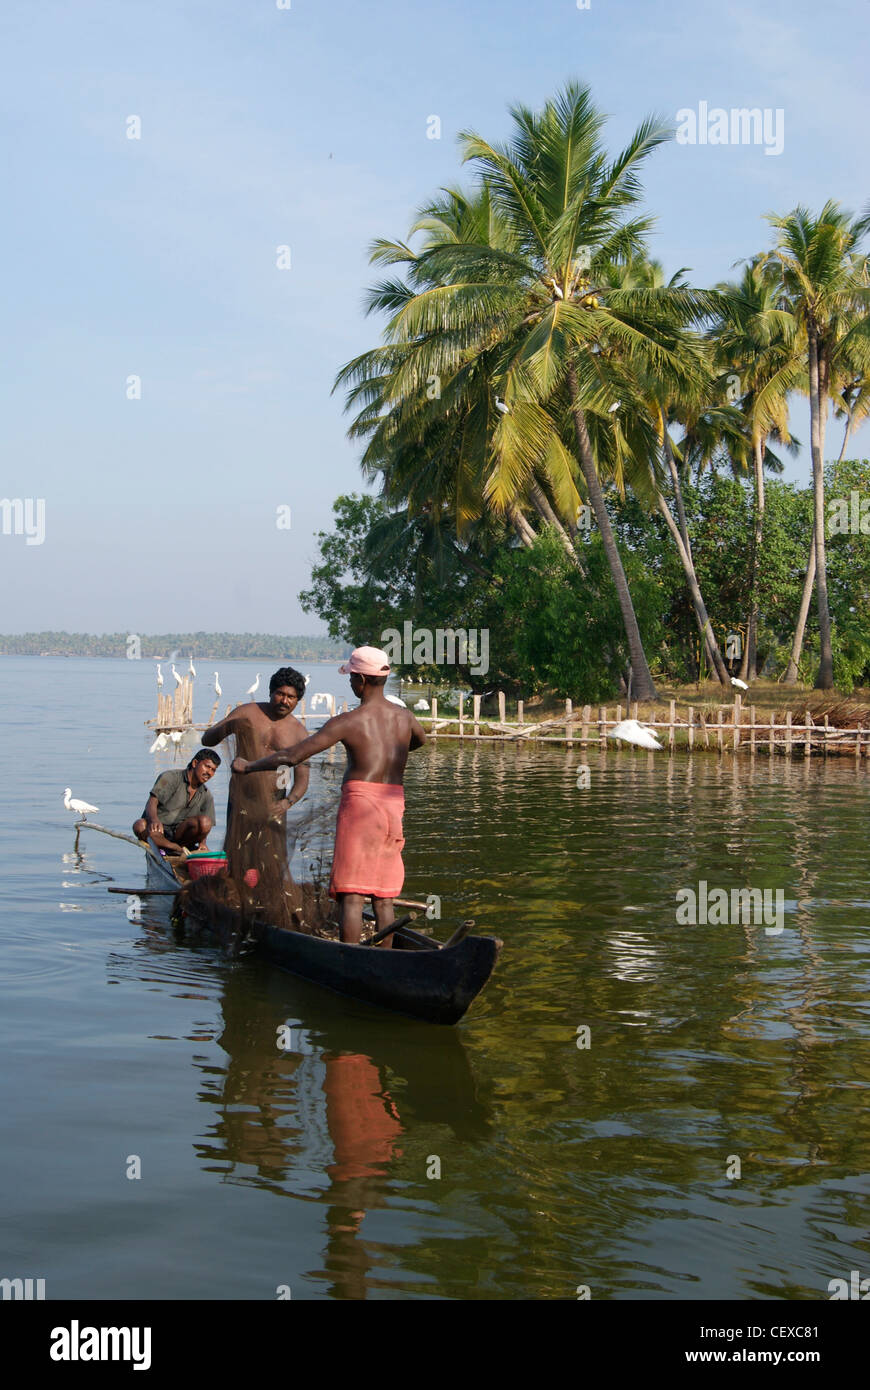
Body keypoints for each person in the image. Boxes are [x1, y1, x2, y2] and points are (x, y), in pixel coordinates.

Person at [231, 646, 426, 946]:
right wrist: (392, 749)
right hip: (394, 804)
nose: (350, 682)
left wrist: (249, 766)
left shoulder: (348, 721)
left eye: (351, 677)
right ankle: (386, 956)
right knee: (383, 896)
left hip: (361, 805)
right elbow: (419, 740)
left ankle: (350, 958)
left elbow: (293, 756)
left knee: (352, 895)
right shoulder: (405, 718)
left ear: (362, 680)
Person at [201, 666, 310, 820]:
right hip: (241, 796)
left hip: (276, 801)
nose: (284, 701)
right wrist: (229, 726)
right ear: (271, 692)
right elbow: (207, 740)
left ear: (297, 700)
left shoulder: (300, 733)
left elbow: (302, 778)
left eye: (291, 697)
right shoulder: (246, 713)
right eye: (280, 694)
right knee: (237, 836)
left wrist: (287, 802)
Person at [133, 749, 219, 854]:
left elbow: (205, 828)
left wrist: (202, 843)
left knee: (206, 822)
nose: (209, 773)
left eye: (213, 770)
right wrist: (154, 820)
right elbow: (152, 801)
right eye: (207, 766)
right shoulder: (171, 777)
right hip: (159, 830)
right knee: (140, 825)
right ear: (195, 763)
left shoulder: (206, 795)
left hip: (181, 835)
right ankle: (175, 848)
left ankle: (175, 847)